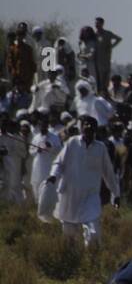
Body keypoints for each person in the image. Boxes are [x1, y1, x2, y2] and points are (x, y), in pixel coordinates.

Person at [46, 115, 119, 246]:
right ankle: (72, 261)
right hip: (70, 195)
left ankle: (92, 260)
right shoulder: (72, 143)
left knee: (94, 233)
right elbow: (58, 163)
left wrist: (116, 194)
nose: (88, 128)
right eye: (85, 125)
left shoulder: (100, 148)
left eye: (91, 126)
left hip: (90, 196)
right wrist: (53, 175)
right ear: (81, 128)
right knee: (69, 236)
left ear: (95, 129)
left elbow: (109, 174)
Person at [28, 112, 63, 220]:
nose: (43, 127)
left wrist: (50, 146)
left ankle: (49, 212)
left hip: (48, 166)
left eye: (45, 125)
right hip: (38, 166)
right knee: (36, 185)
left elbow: (60, 150)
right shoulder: (36, 137)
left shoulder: (54, 137)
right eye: (41, 125)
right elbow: (31, 151)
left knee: (48, 187)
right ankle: (39, 212)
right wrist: (37, 150)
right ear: (39, 126)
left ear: (47, 126)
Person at [90, 18, 121, 92]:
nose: (96, 25)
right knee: (99, 81)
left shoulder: (107, 34)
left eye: (98, 23)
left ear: (102, 24)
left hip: (106, 61)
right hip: (98, 62)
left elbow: (118, 39)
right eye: (96, 23)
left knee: (106, 80)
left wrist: (111, 46)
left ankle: (105, 93)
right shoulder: (94, 35)